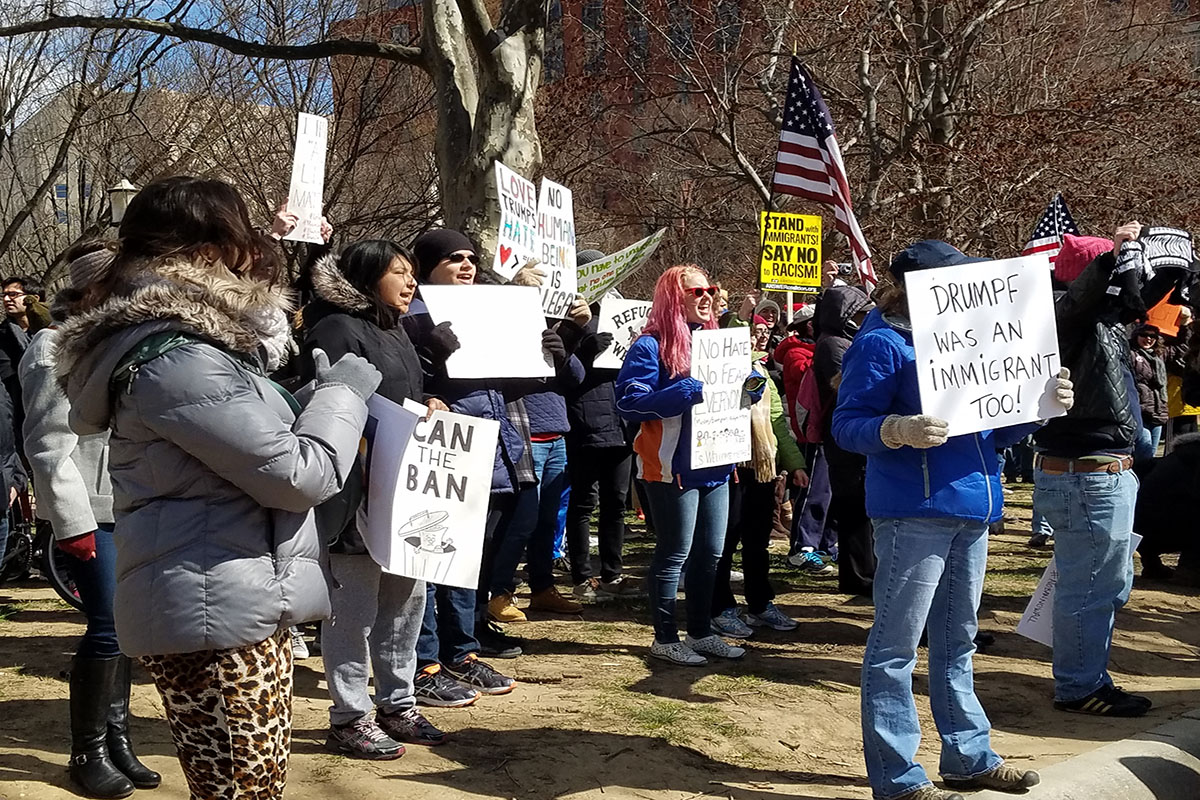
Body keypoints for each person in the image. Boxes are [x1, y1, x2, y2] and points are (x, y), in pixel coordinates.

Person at [56, 175, 380, 799]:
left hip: (228, 594)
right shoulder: (177, 358)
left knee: (235, 788)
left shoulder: (191, 350)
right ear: (208, 253)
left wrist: (308, 398)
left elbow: (247, 443)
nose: (254, 257)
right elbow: (298, 475)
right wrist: (343, 395)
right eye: (243, 240)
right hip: (218, 607)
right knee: (241, 789)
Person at [834, 240, 1061, 800]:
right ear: (920, 288)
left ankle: (968, 756)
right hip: (914, 514)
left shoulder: (969, 343)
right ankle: (898, 778)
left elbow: (992, 433)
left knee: (957, 643)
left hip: (970, 510)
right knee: (895, 647)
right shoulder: (883, 343)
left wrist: (1039, 406)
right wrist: (895, 430)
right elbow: (846, 424)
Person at [301, 241, 449, 759]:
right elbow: (329, 405)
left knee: (406, 604)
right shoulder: (336, 328)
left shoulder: (397, 328)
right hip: (355, 495)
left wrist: (430, 404)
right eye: (399, 273)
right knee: (353, 610)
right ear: (368, 278)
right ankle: (348, 716)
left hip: (404, 492)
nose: (411, 282)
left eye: (412, 273)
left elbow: (405, 395)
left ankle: (397, 703)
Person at [20, 244, 158, 799]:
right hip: (90, 512)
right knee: (106, 623)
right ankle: (88, 750)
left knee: (124, 628)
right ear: (92, 289)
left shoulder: (123, 345)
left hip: (130, 504)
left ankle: (118, 741)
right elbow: (49, 443)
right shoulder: (53, 346)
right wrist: (71, 521)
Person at [1032, 226, 1152, 717]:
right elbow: (1080, 298)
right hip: (1086, 476)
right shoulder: (1063, 317)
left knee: (1107, 582)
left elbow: (1139, 299)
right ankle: (1080, 686)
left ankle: (1086, 673)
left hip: (1100, 474)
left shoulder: (1100, 320)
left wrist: (1151, 262)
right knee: (1089, 585)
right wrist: (1112, 256)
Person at [616, 264, 762, 666]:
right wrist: (677, 394)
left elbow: (739, 398)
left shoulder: (718, 343)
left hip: (716, 463)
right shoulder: (650, 345)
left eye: (710, 290)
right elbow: (628, 402)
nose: (706, 297)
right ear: (671, 297)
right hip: (670, 467)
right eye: (695, 291)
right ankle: (665, 637)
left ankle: (700, 631)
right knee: (674, 553)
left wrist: (751, 385)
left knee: (711, 554)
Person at [403, 229, 525, 704]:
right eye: (454, 258)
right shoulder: (411, 319)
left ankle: (463, 654)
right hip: (438, 451)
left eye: (472, 257)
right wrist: (429, 355)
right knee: (432, 559)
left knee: (465, 562)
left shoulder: (488, 313)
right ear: (427, 266)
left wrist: (548, 349)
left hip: (487, 449)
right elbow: (405, 382)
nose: (467, 265)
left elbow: (506, 386)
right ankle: (426, 662)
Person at [711, 328, 808, 636]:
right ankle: (721, 607)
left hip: (763, 466)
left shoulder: (761, 369)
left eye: (766, 332)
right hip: (730, 465)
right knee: (725, 542)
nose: (760, 337)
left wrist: (794, 463)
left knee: (757, 541)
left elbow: (776, 419)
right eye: (753, 332)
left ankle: (759, 604)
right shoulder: (717, 368)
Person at [563, 259, 638, 602]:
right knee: (583, 503)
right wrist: (584, 348)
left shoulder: (624, 314)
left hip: (621, 422)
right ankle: (581, 577)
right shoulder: (569, 317)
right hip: (585, 422)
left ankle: (612, 573)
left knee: (616, 502)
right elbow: (563, 371)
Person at [811, 285, 875, 595]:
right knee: (853, 510)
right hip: (843, 440)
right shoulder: (833, 345)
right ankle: (857, 577)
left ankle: (863, 571)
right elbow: (845, 386)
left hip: (849, 440)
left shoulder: (845, 342)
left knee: (861, 510)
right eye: (861, 313)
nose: (866, 318)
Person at [1130, 324, 1168, 462]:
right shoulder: (1130, 354)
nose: (1148, 339)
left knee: (1151, 456)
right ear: (1136, 336)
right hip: (1140, 412)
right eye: (1144, 335)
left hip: (1157, 412)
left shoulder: (1159, 355)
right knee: (1144, 455)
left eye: (1152, 336)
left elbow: (1182, 349)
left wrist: (1184, 325)